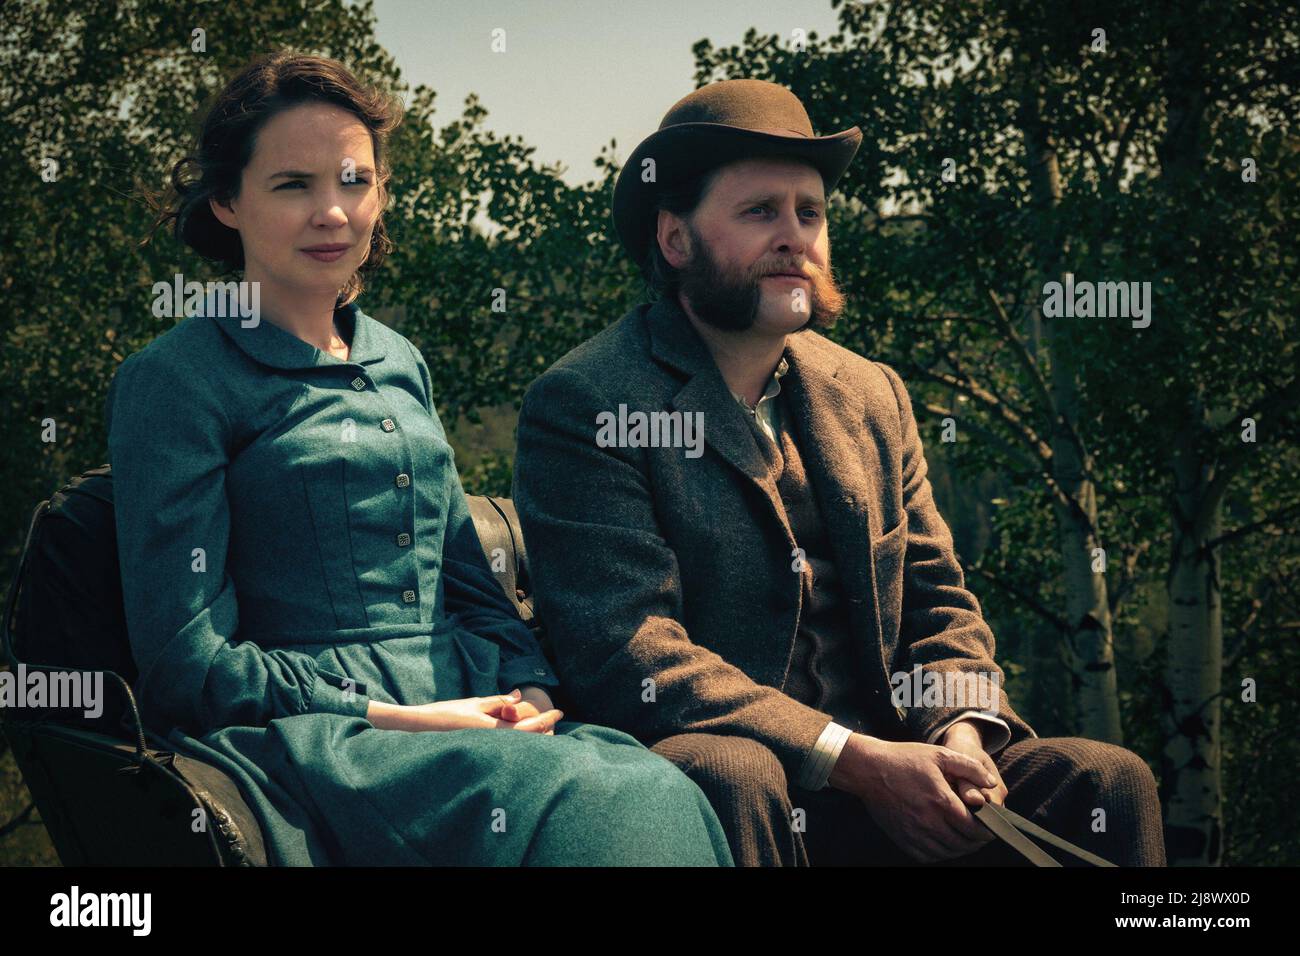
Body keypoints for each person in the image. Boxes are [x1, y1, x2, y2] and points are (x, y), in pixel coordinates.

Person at [512, 79, 1167, 867]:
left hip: (907, 775)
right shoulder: (588, 400)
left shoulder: (869, 392)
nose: (795, 237)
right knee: (727, 769)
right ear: (676, 240)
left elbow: (936, 601)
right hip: (742, 789)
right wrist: (855, 761)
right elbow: (628, 649)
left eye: (810, 213)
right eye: (760, 212)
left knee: (1104, 780)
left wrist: (957, 738)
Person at [109, 50, 733, 867]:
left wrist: (529, 686)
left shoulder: (399, 359)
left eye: (353, 180)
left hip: (470, 702)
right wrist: (398, 718)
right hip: (326, 740)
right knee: (604, 798)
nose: (333, 213)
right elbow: (185, 665)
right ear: (227, 201)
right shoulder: (175, 379)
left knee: (667, 782)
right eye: (293, 185)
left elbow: (466, 576)